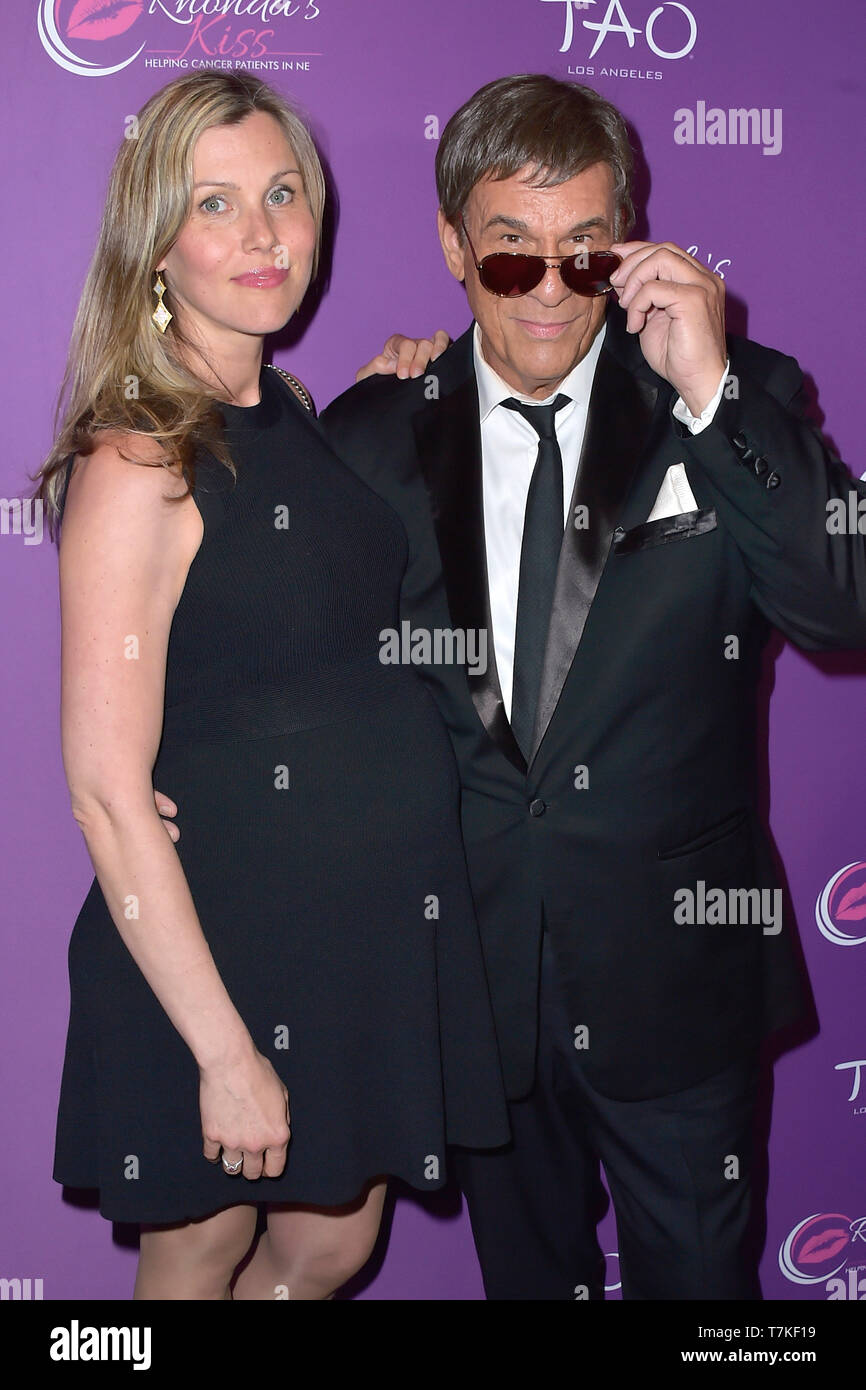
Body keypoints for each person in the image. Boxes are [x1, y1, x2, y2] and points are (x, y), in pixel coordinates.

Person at [317, 74, 866, 1299]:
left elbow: (843, 602)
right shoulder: (369, 437)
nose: (552, 293)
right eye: (512, 259)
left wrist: (710, 387)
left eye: (585, 254)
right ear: (454, 246)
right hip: (476, 983)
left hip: (677, 980)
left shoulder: (737, 397)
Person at [36, 68, 508, 1301]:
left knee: (331, 1243)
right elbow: (101, 786)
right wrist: (224, 1050)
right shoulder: (139, 455)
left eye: (282, 194)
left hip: (350, 937)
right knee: (201, 1245)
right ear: (156, 244)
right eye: (216, 203)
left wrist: (383, 385)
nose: (261, 233)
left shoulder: (294, 407)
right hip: (219, 937)